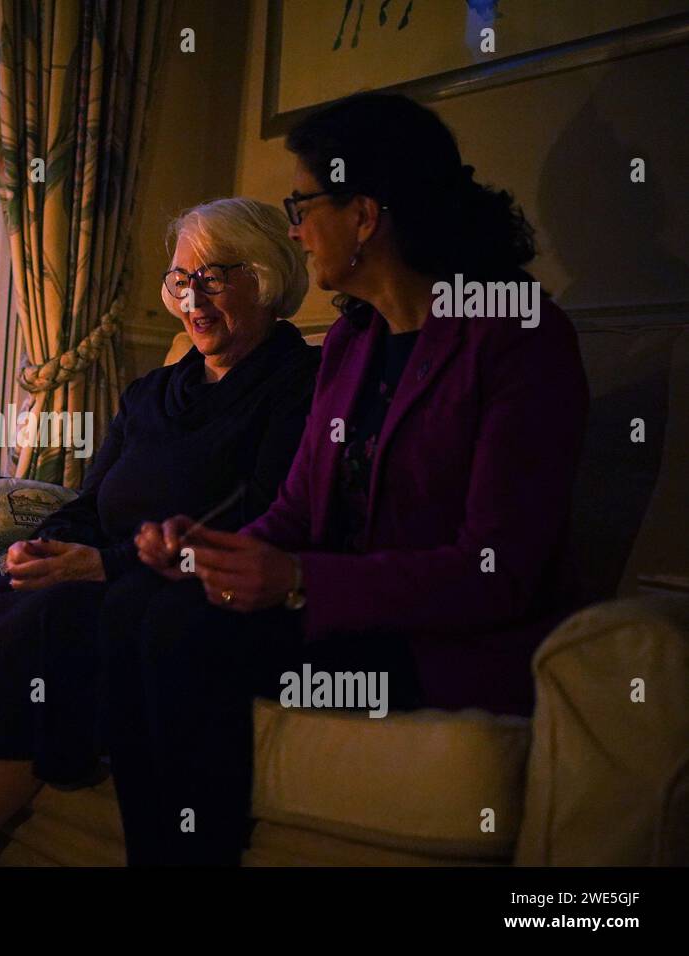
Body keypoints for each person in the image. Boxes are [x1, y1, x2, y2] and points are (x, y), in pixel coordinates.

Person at [117, 92, 589, 865]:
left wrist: (300, 580)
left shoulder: (517, 336)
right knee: (140, 601)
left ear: (365, 215)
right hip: (348, 619)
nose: (295, 226)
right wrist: (214, 548)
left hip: (448, 641)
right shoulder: (351, 341)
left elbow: (496, 572)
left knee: (184, 635)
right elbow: (299, 509)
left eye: (303, 204)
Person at [0, 198, 320, 865]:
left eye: (213, 278)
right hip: (94, 574)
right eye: (180, 280)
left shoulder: (301, 385)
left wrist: (101, 565)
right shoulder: (152, 392)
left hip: (165, 592)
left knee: (45, 622)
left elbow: (256, 516)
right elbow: (91, 501)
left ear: (263, 279)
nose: (192, 299)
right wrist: (45, 541)